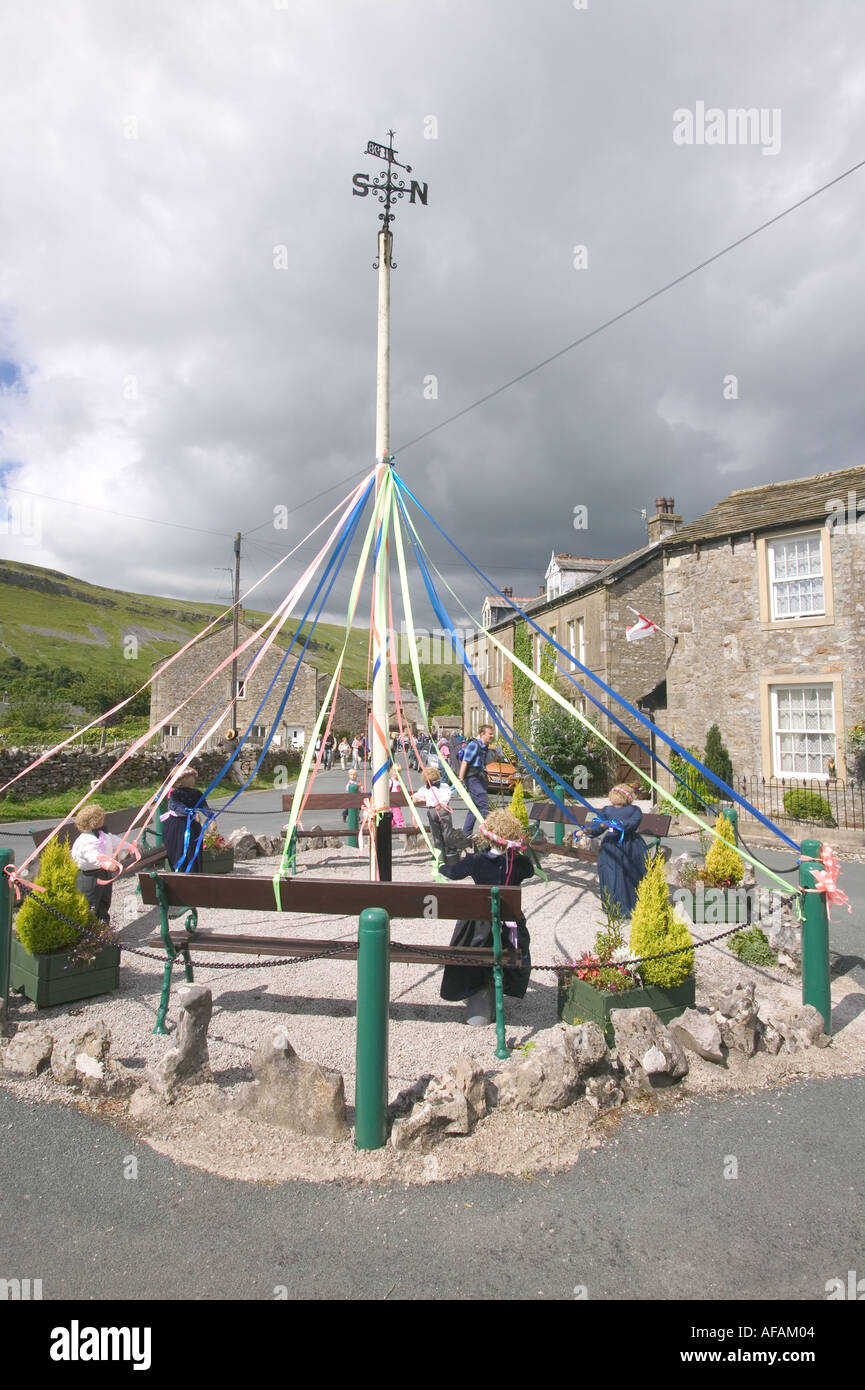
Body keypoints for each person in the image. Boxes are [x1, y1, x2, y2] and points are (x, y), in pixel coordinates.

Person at [438, 809, 535, 1024]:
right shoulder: (519, 864)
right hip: (510, 929)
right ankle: (498, 987)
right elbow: (529, 869)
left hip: (477, 927)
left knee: (467, 944)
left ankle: (476, 991)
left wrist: (440, 865)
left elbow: (452, 873)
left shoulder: (476, 861)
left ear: (487, 835)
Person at [575, 783, 648, 916]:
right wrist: (587, 830)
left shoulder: (633, 810)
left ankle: (624, 906)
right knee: (617, 874)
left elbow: (630, 825)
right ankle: (620, 906)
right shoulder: (609, 810)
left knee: (620, 874)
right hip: (622, 845)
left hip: (623, 845)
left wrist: (611, 824)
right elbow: (597, 826)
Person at [70, 804, 127, 923]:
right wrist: (105, 864)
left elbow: (114, 841)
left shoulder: (102, 835)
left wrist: (129, 846)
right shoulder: (86, 840)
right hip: (90, 876)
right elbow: (91, 855)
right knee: (90, 903)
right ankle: (90, 931)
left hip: (104, 873)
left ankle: (104, 927)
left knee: (104, 900)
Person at [161, 769, 214, 873]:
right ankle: (178, 871)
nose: (193, 778)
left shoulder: (197, 793)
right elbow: (175, 805)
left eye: (193, 776)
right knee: (178, 849)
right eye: (190, 776)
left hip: (192, 826)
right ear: (179, 780)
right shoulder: (175, 794)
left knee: (193, 850)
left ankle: (194, 873)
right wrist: (189, 812)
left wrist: (211, 818)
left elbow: (203, 806)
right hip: (176, 826)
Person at [459, 723, 495, 838]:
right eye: (490, 734)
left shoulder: (485, 747)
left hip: (480, 777)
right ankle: (492, 833)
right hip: (472, 778)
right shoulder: (473, 745)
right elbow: (465, 761)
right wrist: (460, 778)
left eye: (492, 734)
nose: (492, 736)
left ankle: (466, 834)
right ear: (482, 734)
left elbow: (482, 763)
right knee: (484, 804)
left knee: (474, 807)